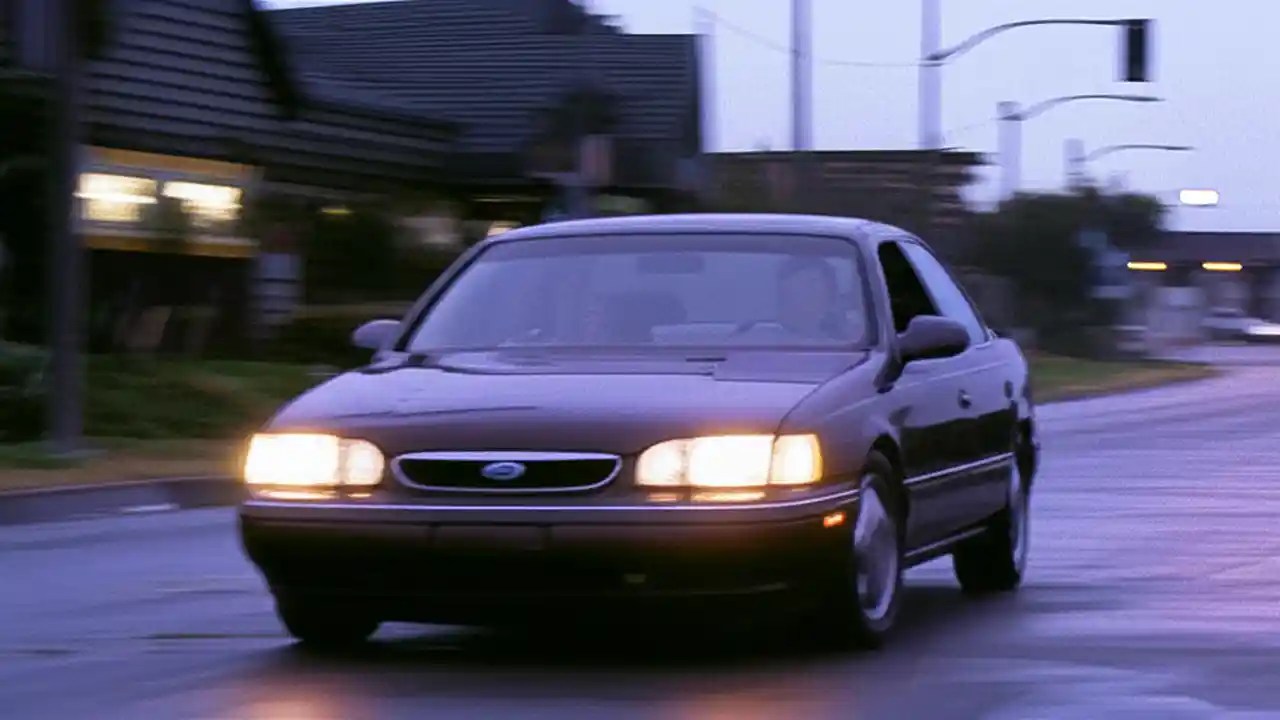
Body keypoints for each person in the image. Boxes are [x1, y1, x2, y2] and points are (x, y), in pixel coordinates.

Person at [775, 256, 853, 340]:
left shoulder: (853, 339)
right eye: (802, 284)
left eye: (813, 281)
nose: (809, 291)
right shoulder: (768, 339)